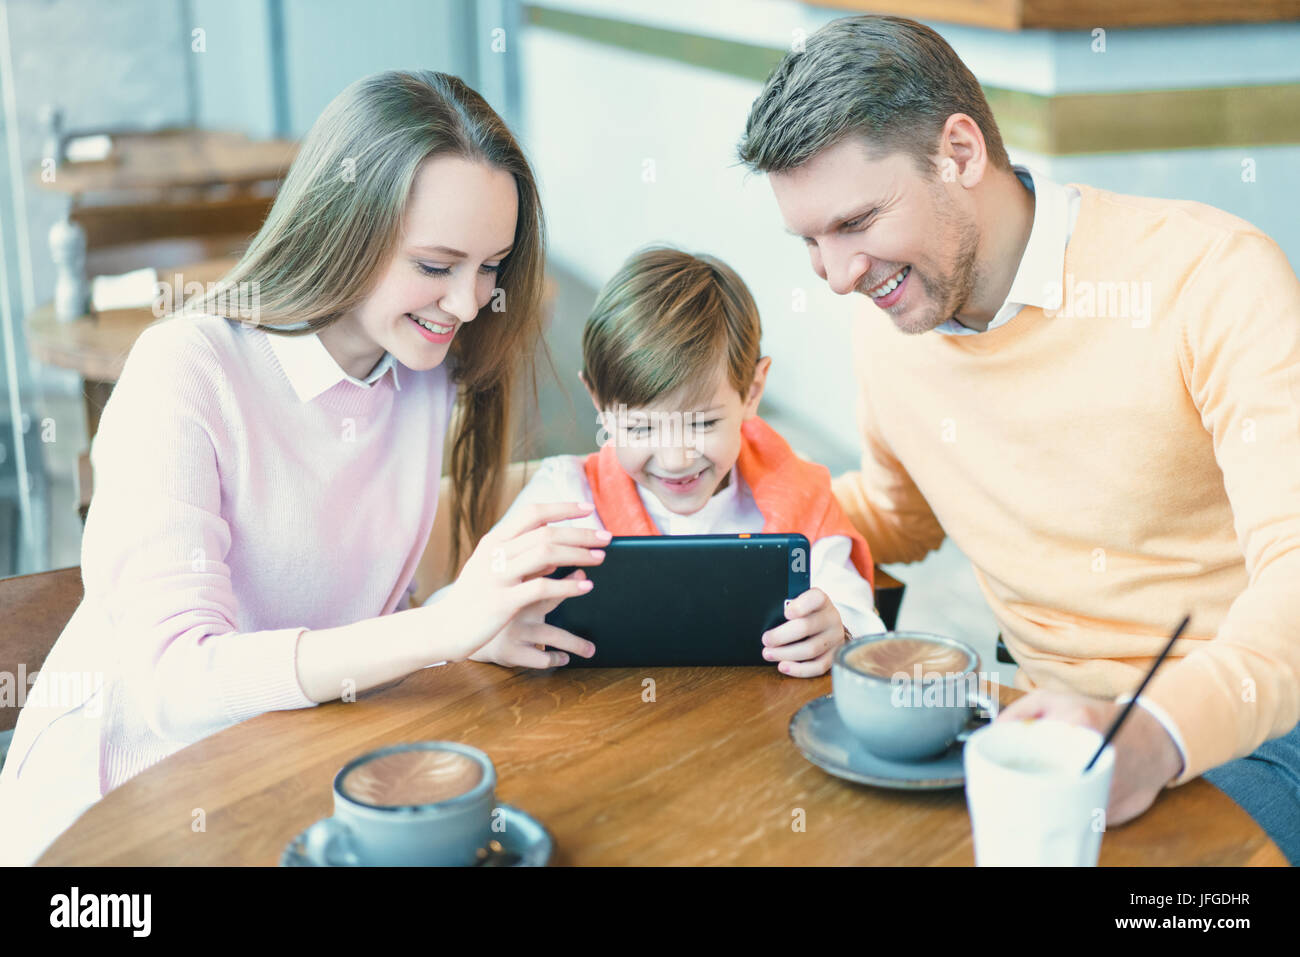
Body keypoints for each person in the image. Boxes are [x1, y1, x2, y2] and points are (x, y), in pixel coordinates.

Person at [0, 70, 605, 865]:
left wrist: (470, 625)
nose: (468, 303)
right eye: (436, 265)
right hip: (114, 823)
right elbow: (175, 685)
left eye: (492, 265)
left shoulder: (419, 374)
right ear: (345, 229)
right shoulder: (186, 370)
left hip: (282, 781)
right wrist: (439, 629)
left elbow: (351, 620)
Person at [737, 15, 1300, 861]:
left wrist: (1153, 732)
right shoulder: (893, 324)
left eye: (857, 222)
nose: (841, 276)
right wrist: (680, 520)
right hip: (1037, 725)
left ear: (960, 153)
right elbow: (894, 513)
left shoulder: (1211, 276)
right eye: (812, 241)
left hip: (1255, 731)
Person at [442, 246, 886, 675]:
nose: (675, 461)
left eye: (702, 424)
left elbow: (868, 639)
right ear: (599, 403)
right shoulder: (564, 498)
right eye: (641, 429)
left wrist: (839, 633)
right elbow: (450, 616)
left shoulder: (801, 495)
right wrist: (489, 638)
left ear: (752, 392)